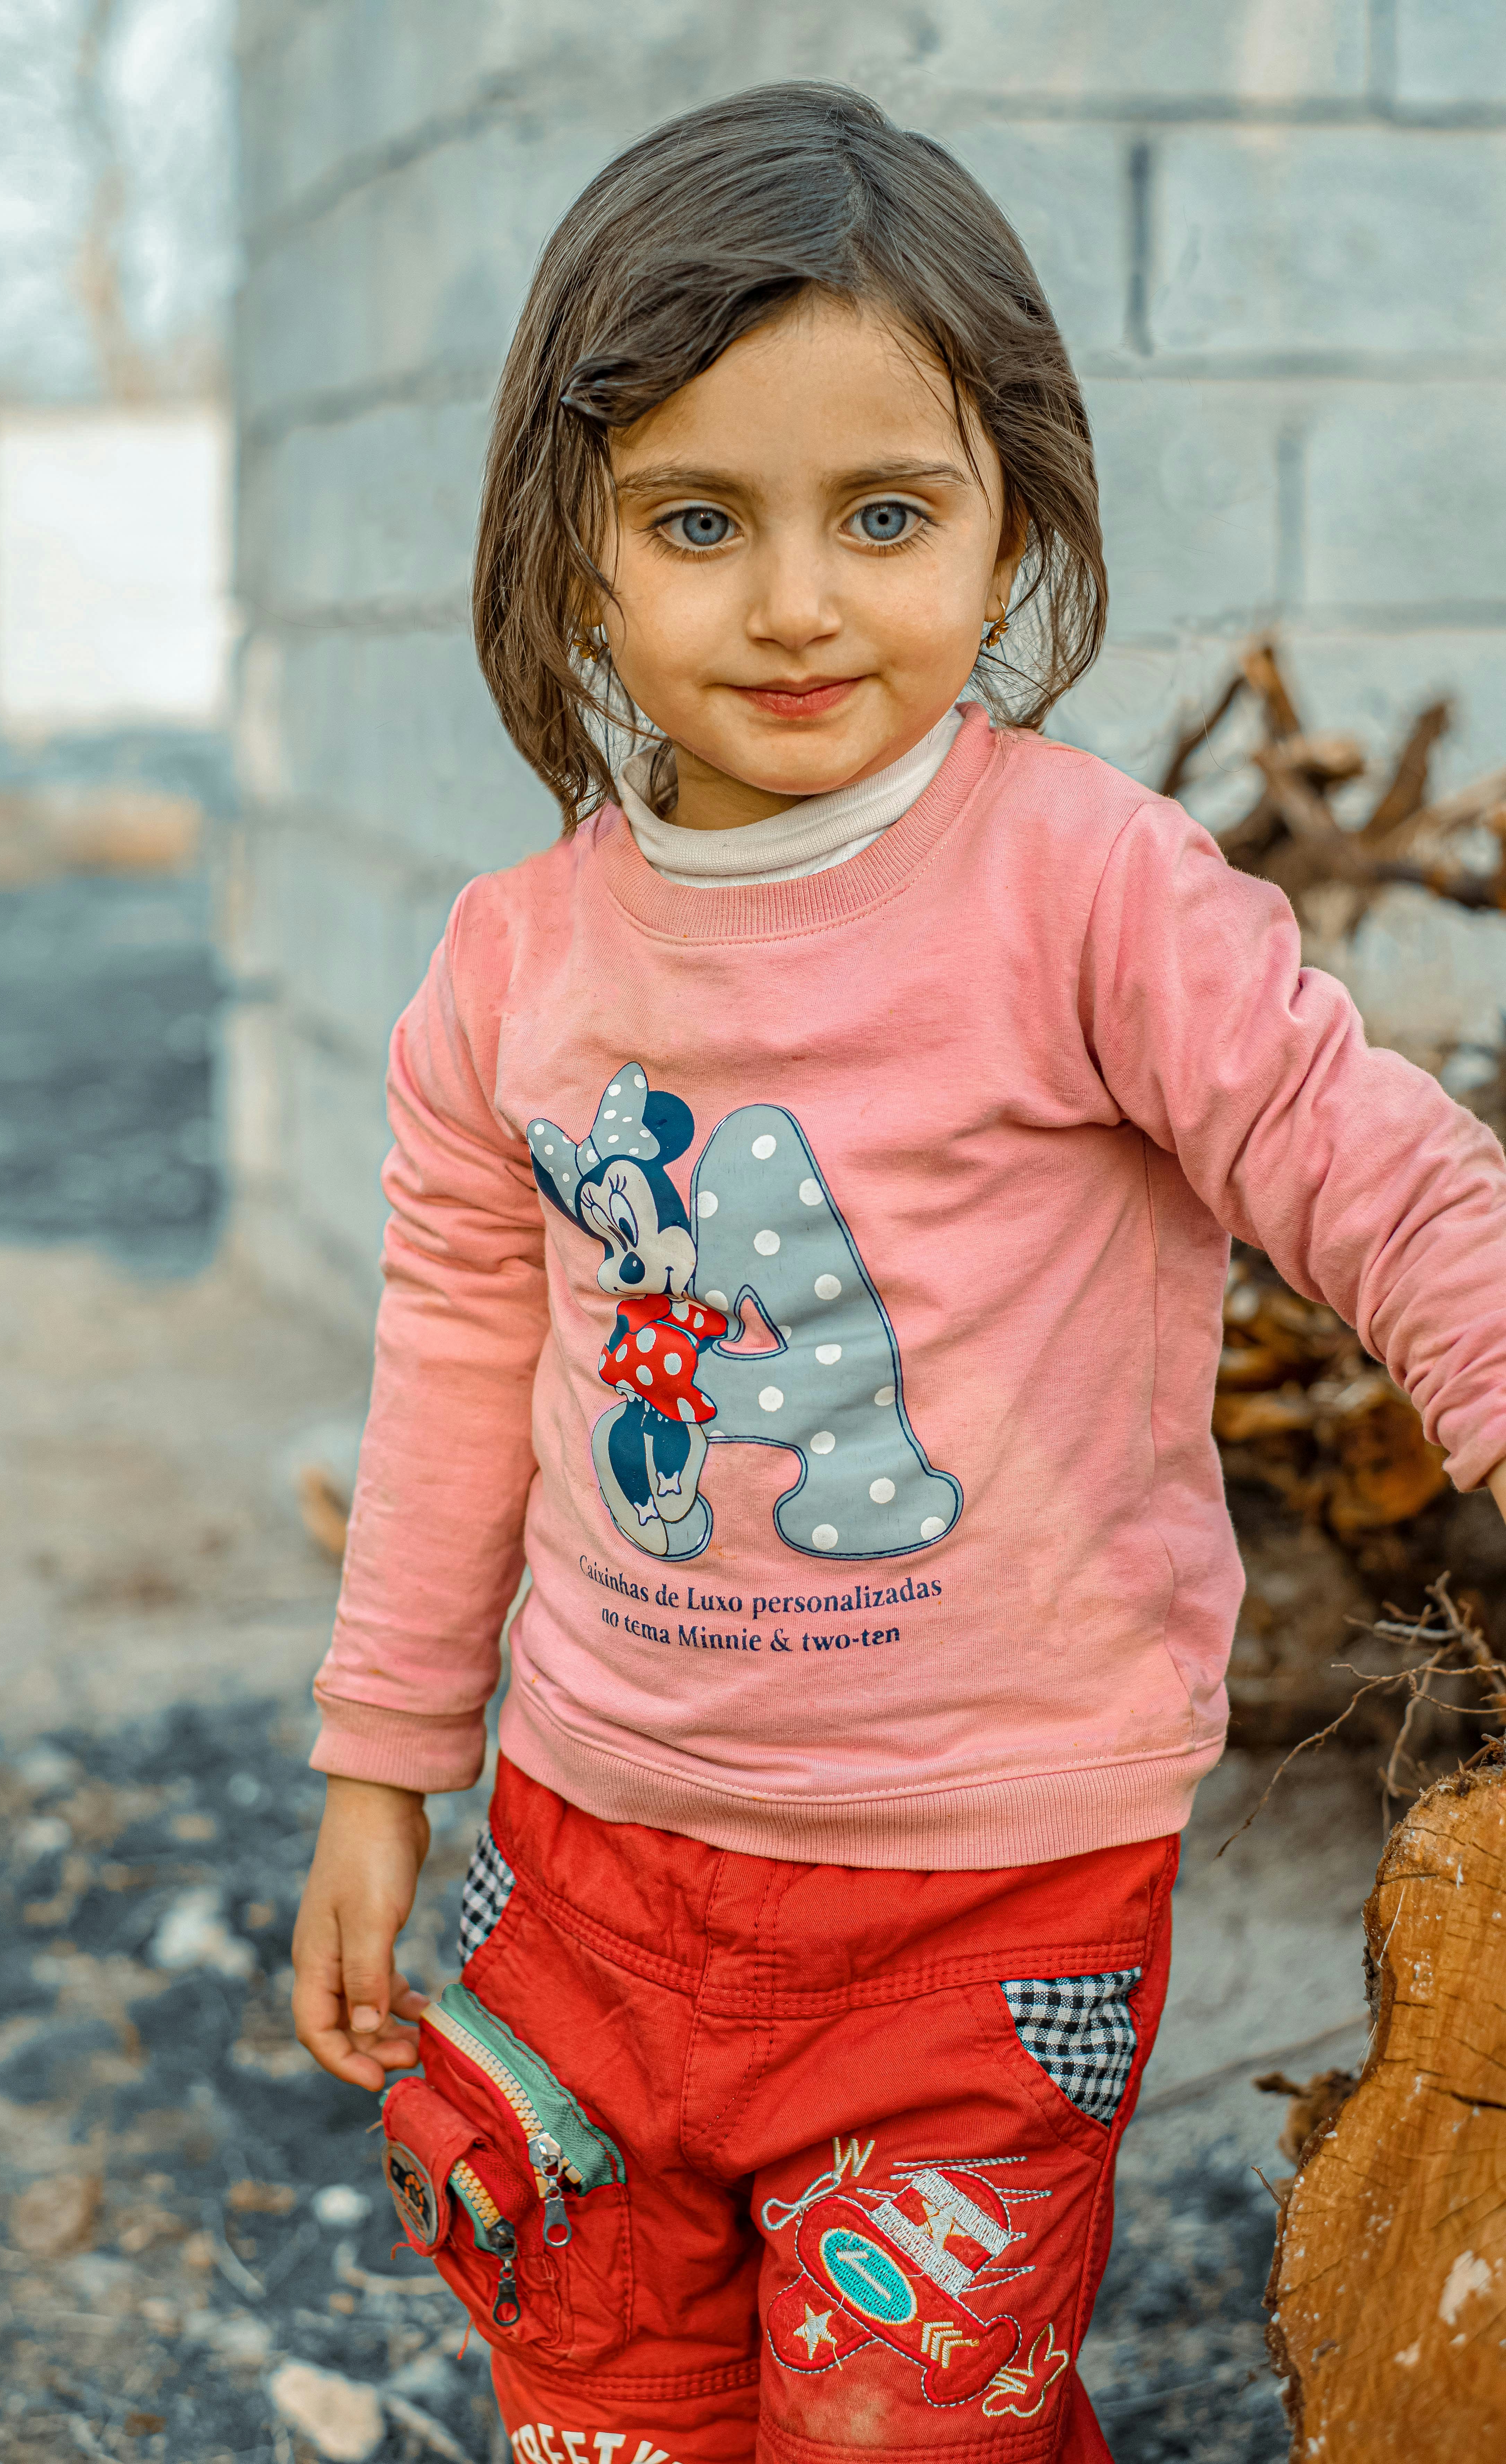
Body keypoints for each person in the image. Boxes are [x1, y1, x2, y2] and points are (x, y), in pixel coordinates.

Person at [289, 83, 1506, 2463]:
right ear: (576, 557)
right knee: (601, 2405)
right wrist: (381, 1766)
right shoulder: (514, 961)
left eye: (884, 514)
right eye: (698, 520)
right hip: (594, 1868)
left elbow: (1358, 1155)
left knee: (904, 2432)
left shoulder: (1090, 891)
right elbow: (452, 1353)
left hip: (993, 1895)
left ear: (1011, 517)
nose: (796, 601)